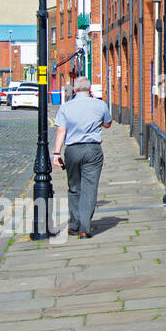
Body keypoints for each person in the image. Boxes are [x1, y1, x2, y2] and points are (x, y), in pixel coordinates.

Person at [52, 75, 113, 239]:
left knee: (74, 187)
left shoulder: (66, 107)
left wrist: (56, 153)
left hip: (72, 150)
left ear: (73, 89)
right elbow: (108, 124)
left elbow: (61, 131)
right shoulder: (100, 104)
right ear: (90, 89)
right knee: (89, 188)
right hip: (92, 150)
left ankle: (74, 224)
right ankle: (84, 227)